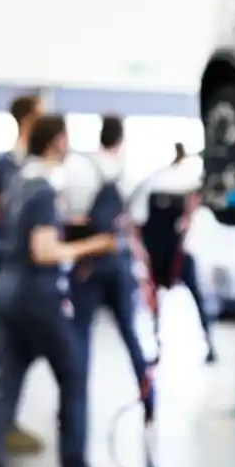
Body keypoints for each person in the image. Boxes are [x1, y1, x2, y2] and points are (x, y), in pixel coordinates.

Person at [0, 114, 117, 467]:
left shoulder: (17, 182)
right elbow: (44, 250)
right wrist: (95, 245)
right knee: (72, 375)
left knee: (7, 379)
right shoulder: (41, 190)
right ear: (56, 142)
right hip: (36, 295)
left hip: (6, 289)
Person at [62, 115, 153, 416]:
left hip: (85, 263)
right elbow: (135, 223)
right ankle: (148, 397)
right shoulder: (127, 174)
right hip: (117, 261)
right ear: (121, 138)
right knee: (129, 332)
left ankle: (73, 407)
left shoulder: (79, 169)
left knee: (80, 334)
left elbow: (67, 215)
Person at [0, 94, 47, 455]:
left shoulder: (36, 165)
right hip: (10, 265)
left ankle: (4, 421)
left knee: (17, 348)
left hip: (32, 268)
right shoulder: (8, 166)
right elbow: (6, 213)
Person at [135, 142, 217, 363]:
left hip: (171, 254)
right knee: (158, 303)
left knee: (191, 298)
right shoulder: (161, 182)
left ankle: (208, 345)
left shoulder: (177, 181)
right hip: (162, 254)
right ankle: (158, 345)